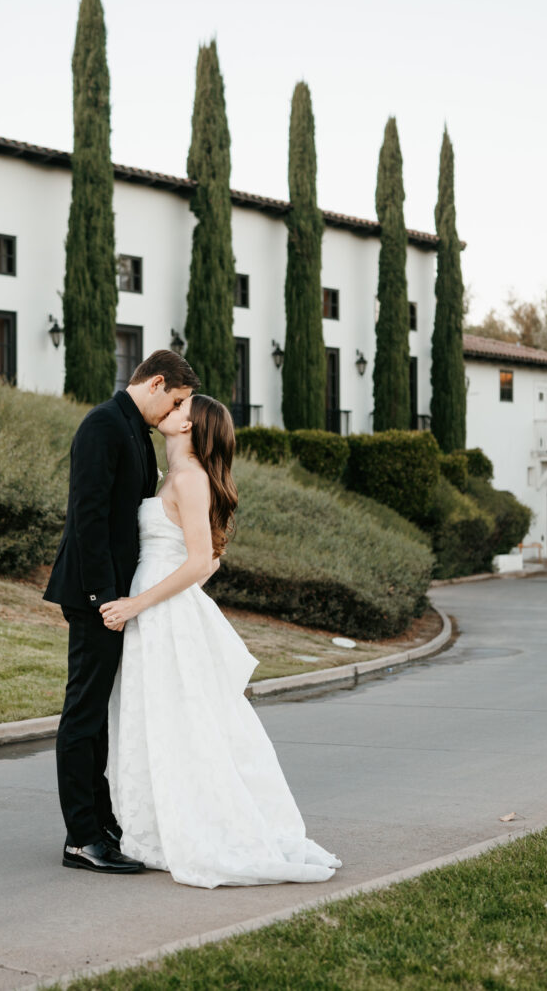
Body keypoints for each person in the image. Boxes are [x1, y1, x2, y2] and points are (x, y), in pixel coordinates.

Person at [98, 394, 341, 888]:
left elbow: (196, 560)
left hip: (158, 611)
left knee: (178, 719)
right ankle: (157, 825)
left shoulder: (189, 479)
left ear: (188, 423)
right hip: (162, 605)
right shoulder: (176, 475)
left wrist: (135, 604)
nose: (168, 407)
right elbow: (208, 562)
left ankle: (190, 828)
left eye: (178, 405)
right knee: (160, 716)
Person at [44, 350, 198, 874]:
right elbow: (86, 517)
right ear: (156, 383)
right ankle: (80, 838)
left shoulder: (135, 430)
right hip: (95, 595)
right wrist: (102, 599)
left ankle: (102, 821)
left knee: (99, 717)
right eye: (176, 400)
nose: (176, 413)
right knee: (83, 714)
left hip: (115, 597)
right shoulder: (102, 425)